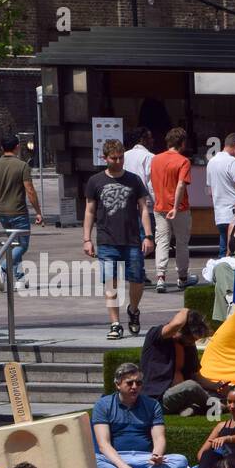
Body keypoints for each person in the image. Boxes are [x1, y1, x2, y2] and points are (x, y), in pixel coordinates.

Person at [84, 138, 155, 340]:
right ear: (104, 158)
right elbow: (90, 211)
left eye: (121, 157)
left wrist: (148, 235)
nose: (118, 161)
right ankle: (115, 323)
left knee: (137, 279)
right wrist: (86, 238)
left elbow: (143, 209)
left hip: (132, 238)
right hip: (106, 239)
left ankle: (133, 309)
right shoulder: (95, 181)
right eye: (114, 158)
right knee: (110, 283)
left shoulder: (133, 180)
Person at [92, 362, 190, 468]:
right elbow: (103, 444)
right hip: (117, 458)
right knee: (92, 461)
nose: (134, 387)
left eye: (138, 383)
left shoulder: (152, 405)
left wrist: (156, 456)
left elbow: (159, 438)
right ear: (118, 384)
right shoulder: (103, 405)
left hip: (145, 458)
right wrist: (123, 466)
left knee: (180, 460)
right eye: (129, 383)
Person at [0, 134, 43, 290]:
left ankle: (20, 278)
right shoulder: (22, 166)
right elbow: (29, 190)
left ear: (1, 148)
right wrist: (38, 211)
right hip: (18, 211)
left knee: (14, 245)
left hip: (2, 212)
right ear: (17, 147)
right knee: (22, 246)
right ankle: (3, 268)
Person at [140, 308, 221, 417]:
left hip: (181, 394)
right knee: (191, 386)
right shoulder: (155, 336)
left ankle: (192, 406)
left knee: (210, 391)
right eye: (191, 338)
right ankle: (216, 405)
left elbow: (196, 376)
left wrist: (216, 386)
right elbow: (176, 323)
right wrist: (185, 310)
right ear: (181, 330)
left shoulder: (188, 346)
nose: (192, 342)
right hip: (158, 397)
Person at [149, 127, 197, 293]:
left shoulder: (155, 159)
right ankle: (182, 277)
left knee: (162, 241)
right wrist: (175, 207)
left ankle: (160, 277)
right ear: (182, 143)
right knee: (182, 243)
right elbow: (181, 185)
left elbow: (151, 182)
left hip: (159, 206)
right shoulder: (183, 161)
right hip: (179, 208)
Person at [206, 133, 235, 258]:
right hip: (234, 214)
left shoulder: (212, 162)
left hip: (219, 213)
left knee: (223, 249)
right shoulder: (233, 162)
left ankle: (221, 275)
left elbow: (209, 191)